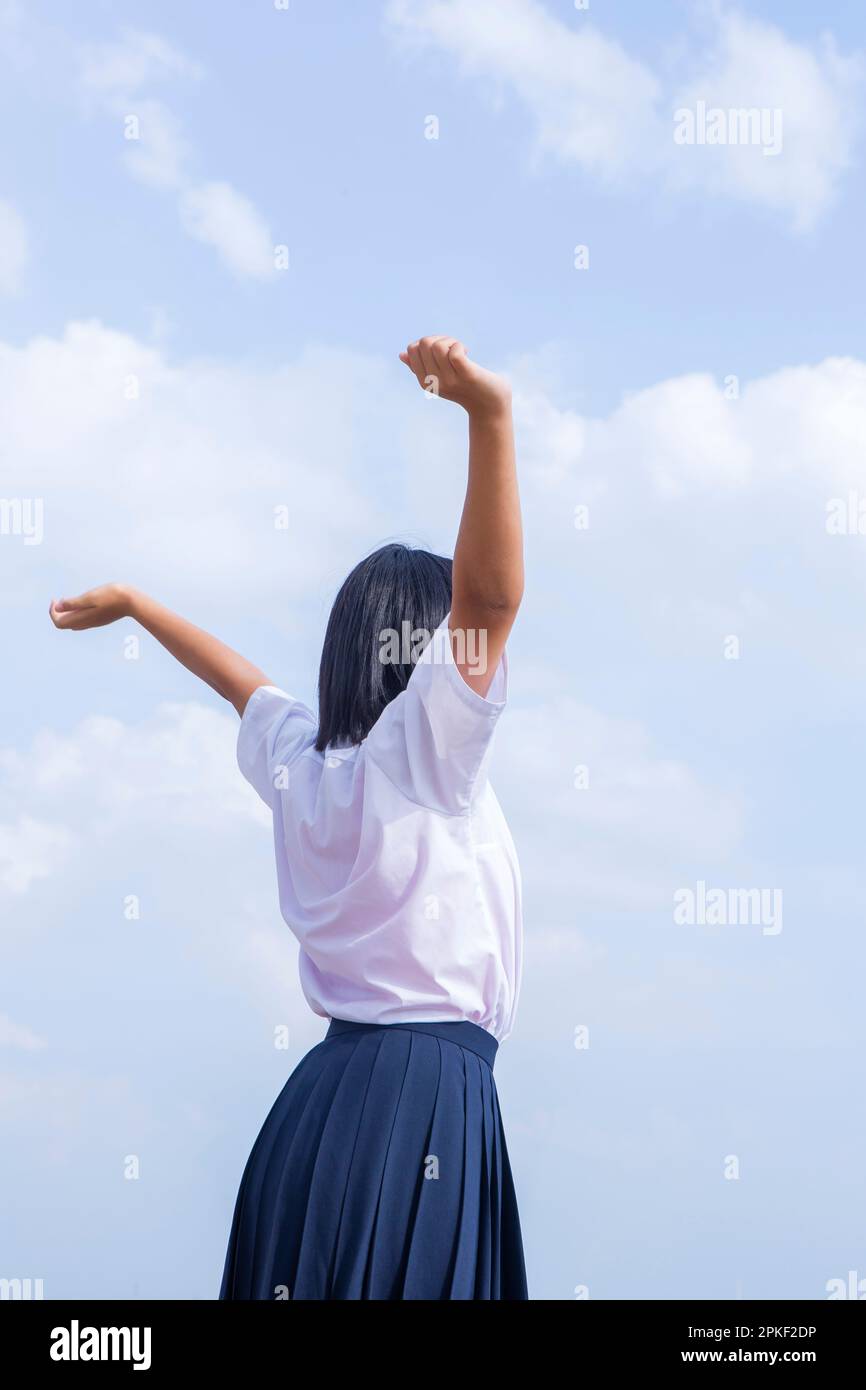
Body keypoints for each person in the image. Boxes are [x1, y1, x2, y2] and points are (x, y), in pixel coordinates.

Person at [50, 334, 527, 1300]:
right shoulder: (427, 749)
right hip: (422, 1101)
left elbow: (240, 682)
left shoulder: (305, 767)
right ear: (423, 652)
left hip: (323, 1106)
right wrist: (490, 415)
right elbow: (490, 596)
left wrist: (141, 604)